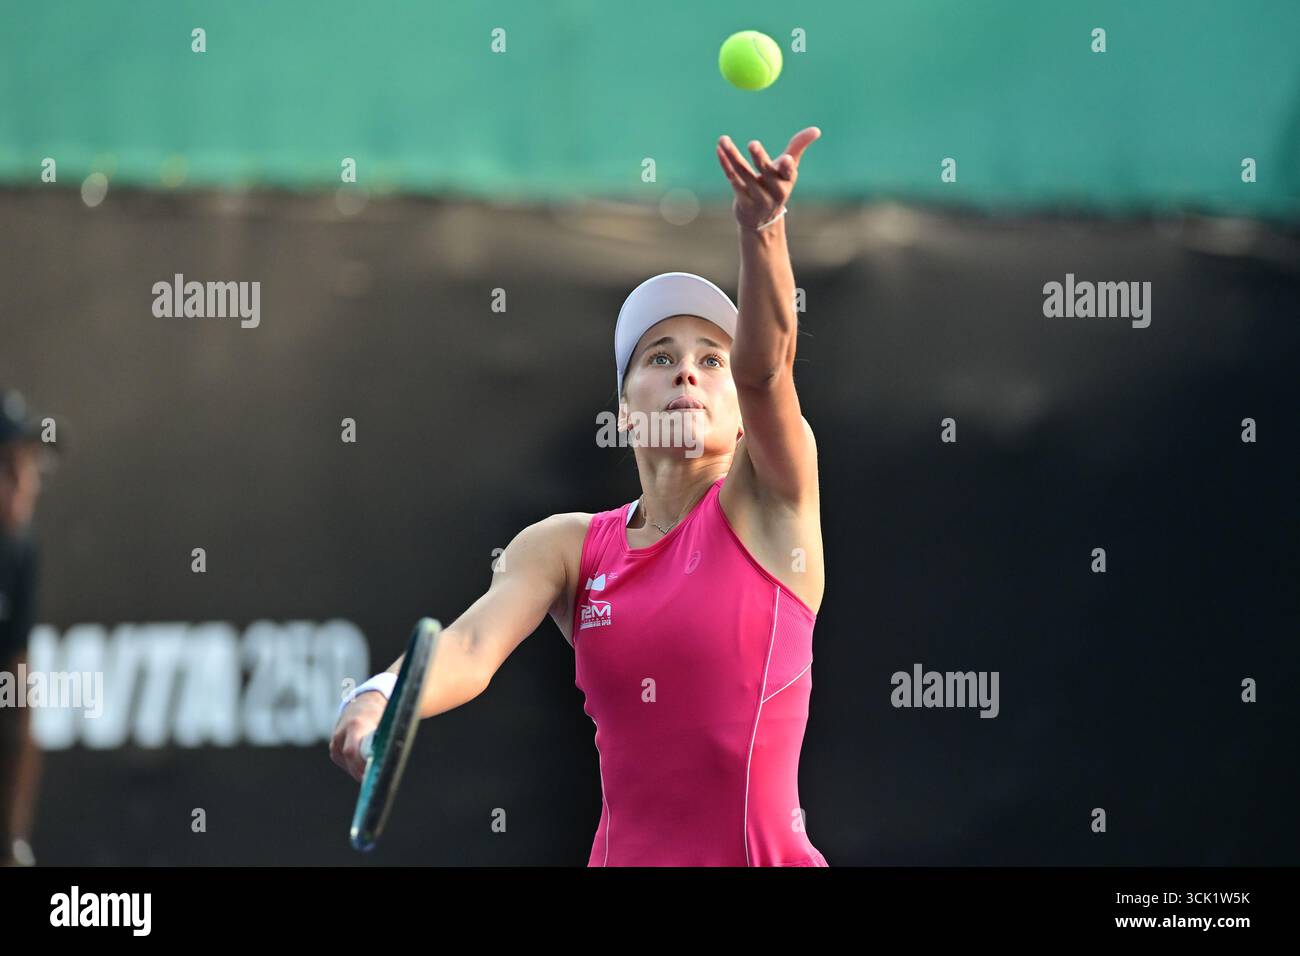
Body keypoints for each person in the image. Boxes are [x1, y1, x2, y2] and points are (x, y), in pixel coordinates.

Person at [332, 127, 827, 866]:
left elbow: (767, 371)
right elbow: (467, 646)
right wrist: (376, 697)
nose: (687, 373)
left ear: (738, 411)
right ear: (625, 411)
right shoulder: (566, 549)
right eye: (660, 358)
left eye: (710, 360)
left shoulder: (773, 500)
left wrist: (764, 229)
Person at [0, 389, 53, 867]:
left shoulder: (18, 552)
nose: (27, 482)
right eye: (10, 465)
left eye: (28, 465)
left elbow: (19, 702)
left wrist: (13, 843)